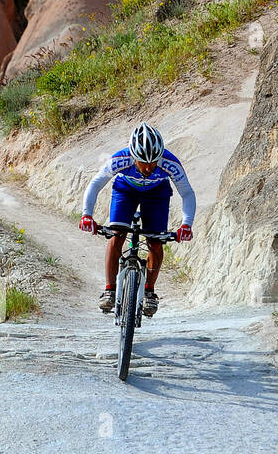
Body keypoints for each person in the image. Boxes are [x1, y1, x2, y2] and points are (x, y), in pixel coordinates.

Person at [79, 122, 195, 316]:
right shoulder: (121, 158)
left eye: (153, 162)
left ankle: (149, 292)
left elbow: (187, 193)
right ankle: (109, 289)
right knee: (117, 234)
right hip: (125, 191)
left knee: (156, 242)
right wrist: (86, 215)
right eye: (143, 163)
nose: (149, 168)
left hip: (157, 194)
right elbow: (96, 183)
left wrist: (186, 224)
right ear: (133, 156)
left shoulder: (170, 162)